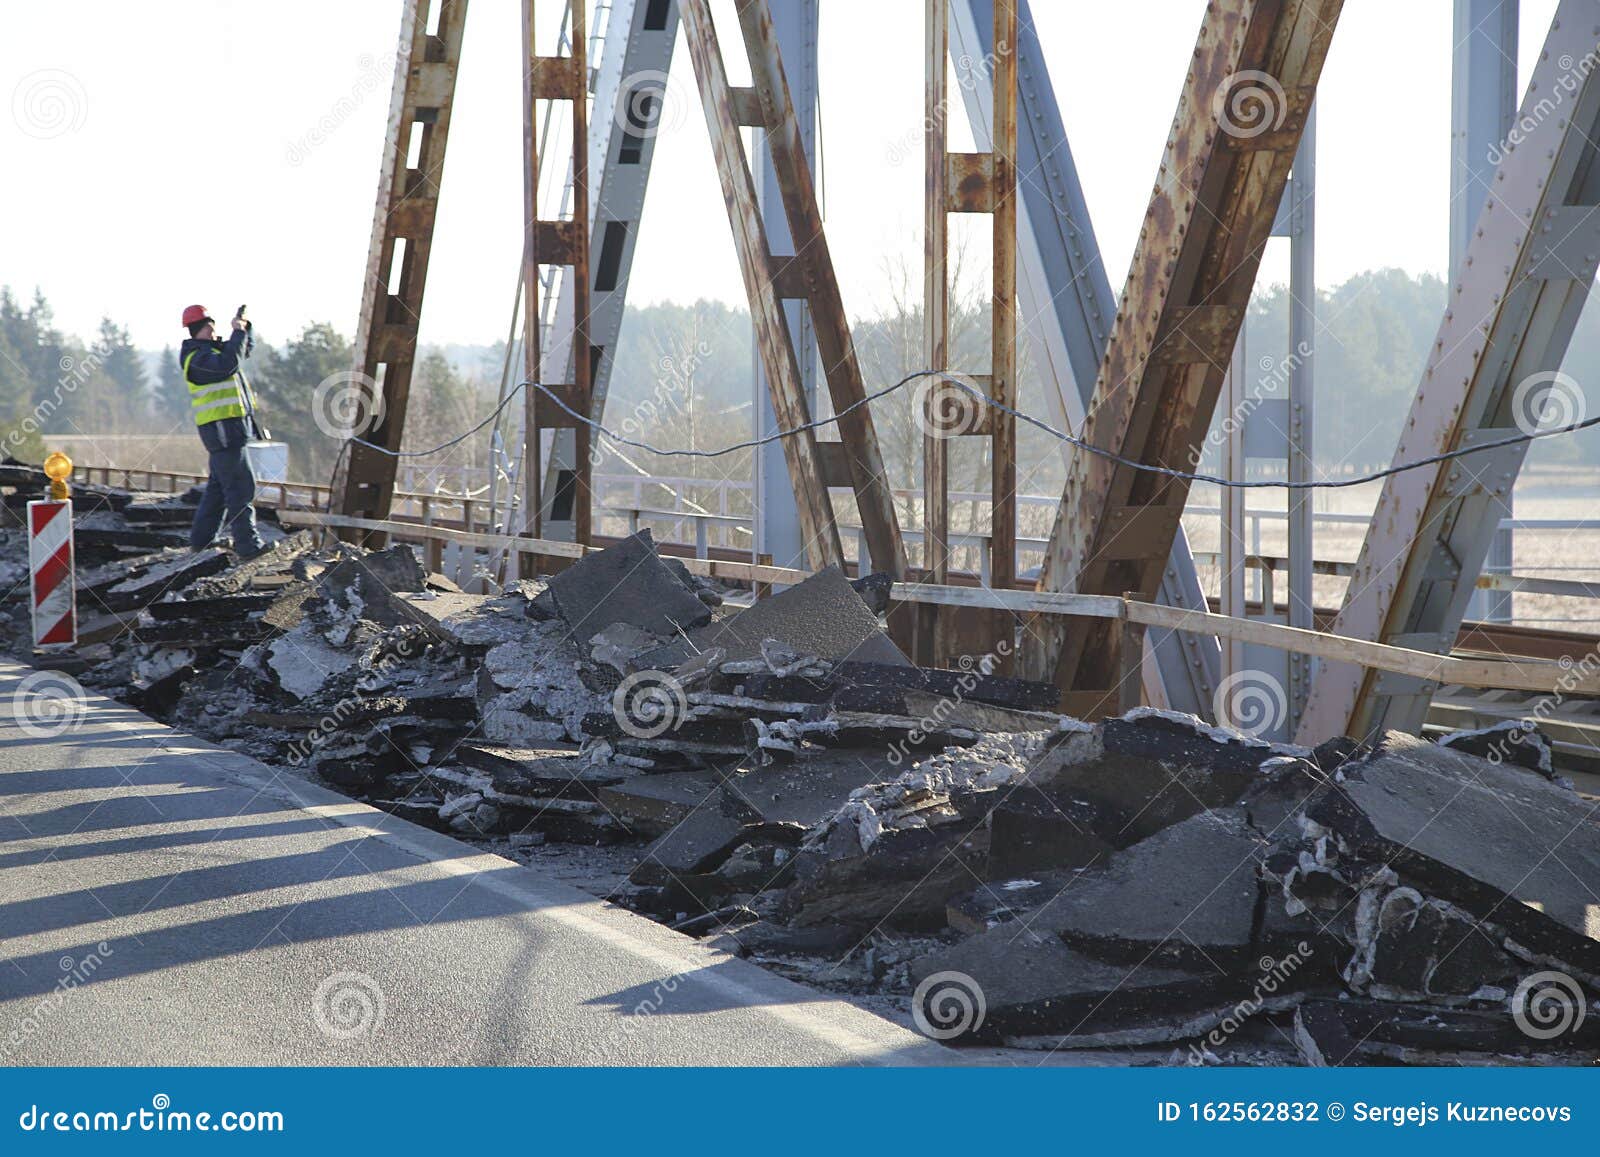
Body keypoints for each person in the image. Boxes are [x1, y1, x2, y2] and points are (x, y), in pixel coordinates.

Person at [179, 304, 268, 558]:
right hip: (223, 432)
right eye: (212, 326)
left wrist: (245, 328)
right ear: (205, 327)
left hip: (228, 431)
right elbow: (229, 363)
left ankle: (202, 540)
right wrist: (237, 333)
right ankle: (249, 547)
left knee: (218, 490)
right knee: (240, 488)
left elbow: (240, 352)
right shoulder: (196, 359)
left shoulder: (210, 352)